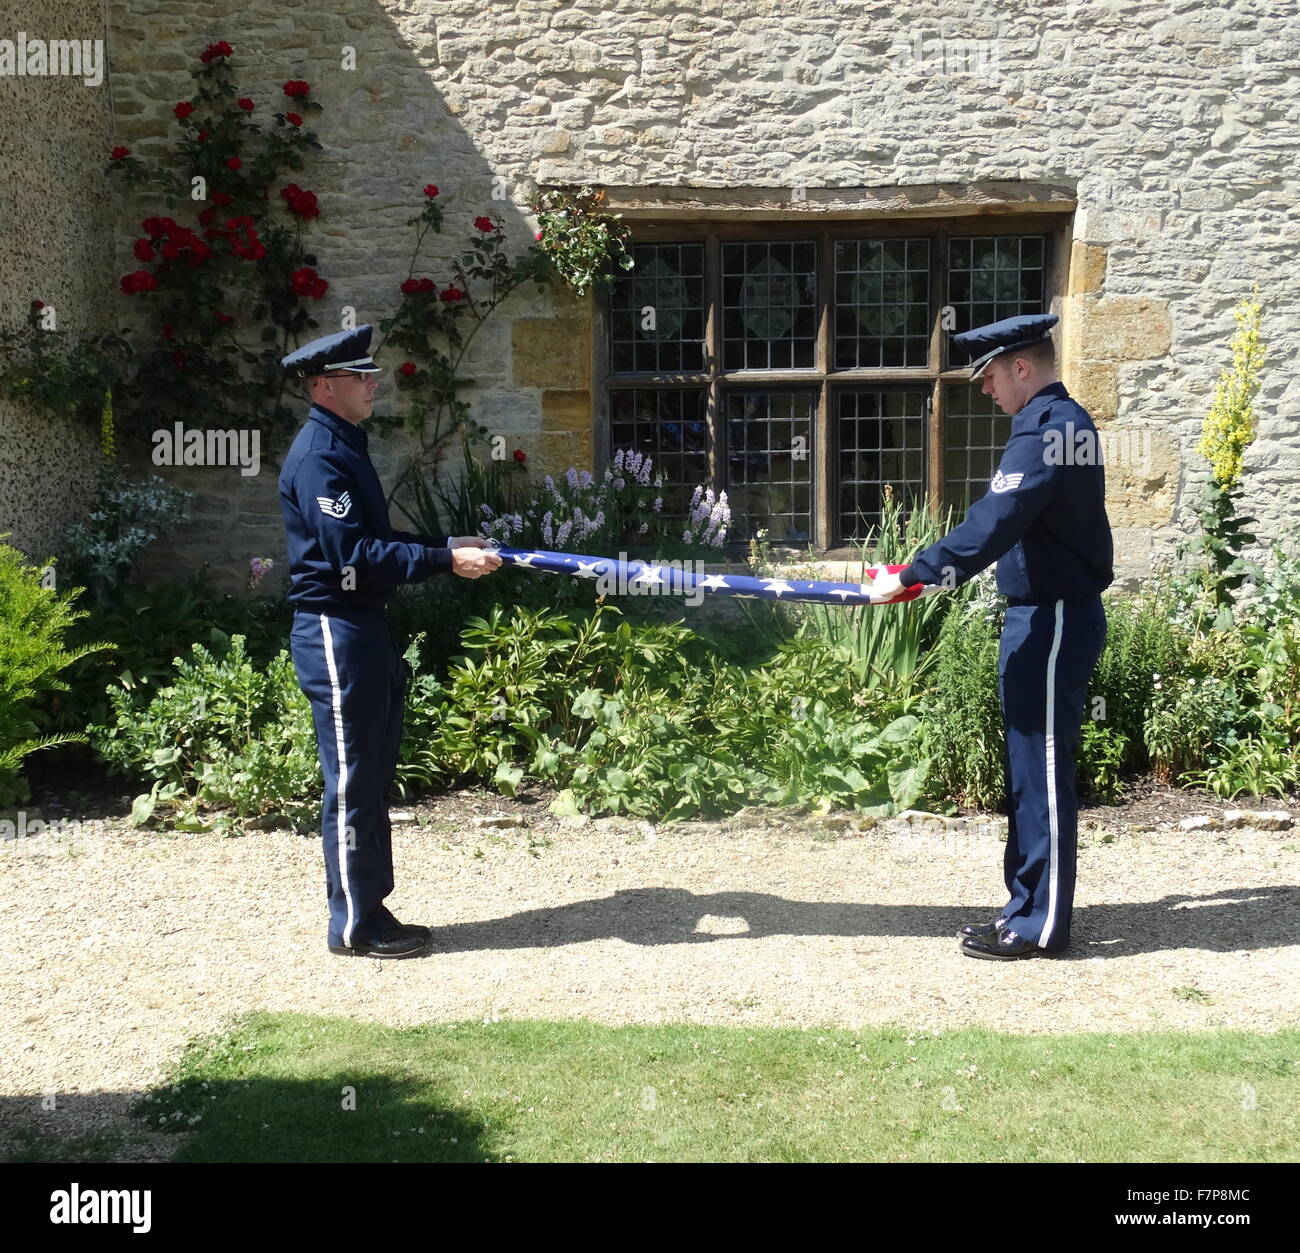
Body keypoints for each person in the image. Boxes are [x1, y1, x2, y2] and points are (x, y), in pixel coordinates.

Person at [867, 314, 1113, 960]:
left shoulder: (1054, 430)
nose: (984, 388)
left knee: (1044, 771)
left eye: (990, 375)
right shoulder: (1050, 424)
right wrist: (922, 575)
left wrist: (912, 573)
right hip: (1038, 616)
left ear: (1021, 368)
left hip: (1053, 618)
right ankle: (1023, 909)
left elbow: (995, 520)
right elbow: (1006, 523)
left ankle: (1040, 924)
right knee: (1030, 772)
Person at [278, 325, 502, 959]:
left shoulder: (343, 444)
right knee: (352, 781)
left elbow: (374, 538)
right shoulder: (320, 456)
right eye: (359, 376)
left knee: (370, 774)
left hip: (362, 626)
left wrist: (445, 546)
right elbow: (354, 555)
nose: (373, 384)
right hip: (336, 629)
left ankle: (370, 910)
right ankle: (354, 926)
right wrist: (443, 560)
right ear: (323, 386)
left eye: (371, 374)